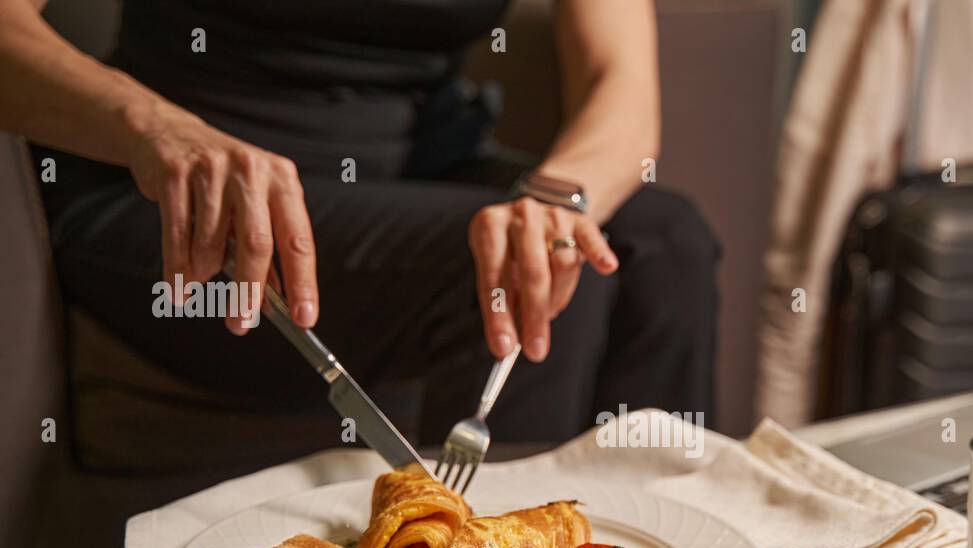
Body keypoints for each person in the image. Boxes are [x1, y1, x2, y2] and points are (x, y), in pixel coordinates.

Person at [0, 0, 718, 444]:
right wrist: (155, 127)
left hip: (423, 175)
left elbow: (618, 82)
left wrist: (556, 205)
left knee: (659, 243)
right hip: (181, 210)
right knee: (512, 276)